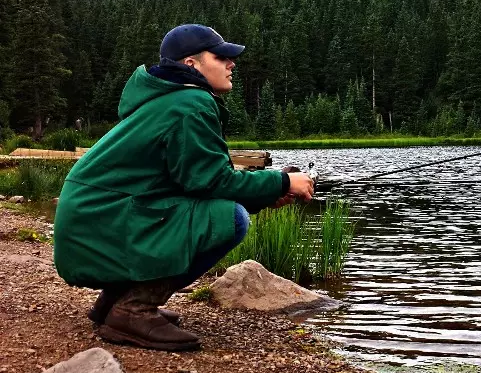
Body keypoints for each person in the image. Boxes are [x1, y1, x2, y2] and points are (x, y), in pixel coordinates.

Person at [53, 24, 314, 351]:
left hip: (90, 222)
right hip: (99, 223)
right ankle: (134, 310)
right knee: (231, 220)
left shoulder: (171, 100)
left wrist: (267, 194)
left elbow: (192, 184)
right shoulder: (191, 103)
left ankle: (115, 301)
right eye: (221, 57)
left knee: (223, 211)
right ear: (191, 65)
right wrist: (283, 180)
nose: (231, 64)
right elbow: (213, 181)